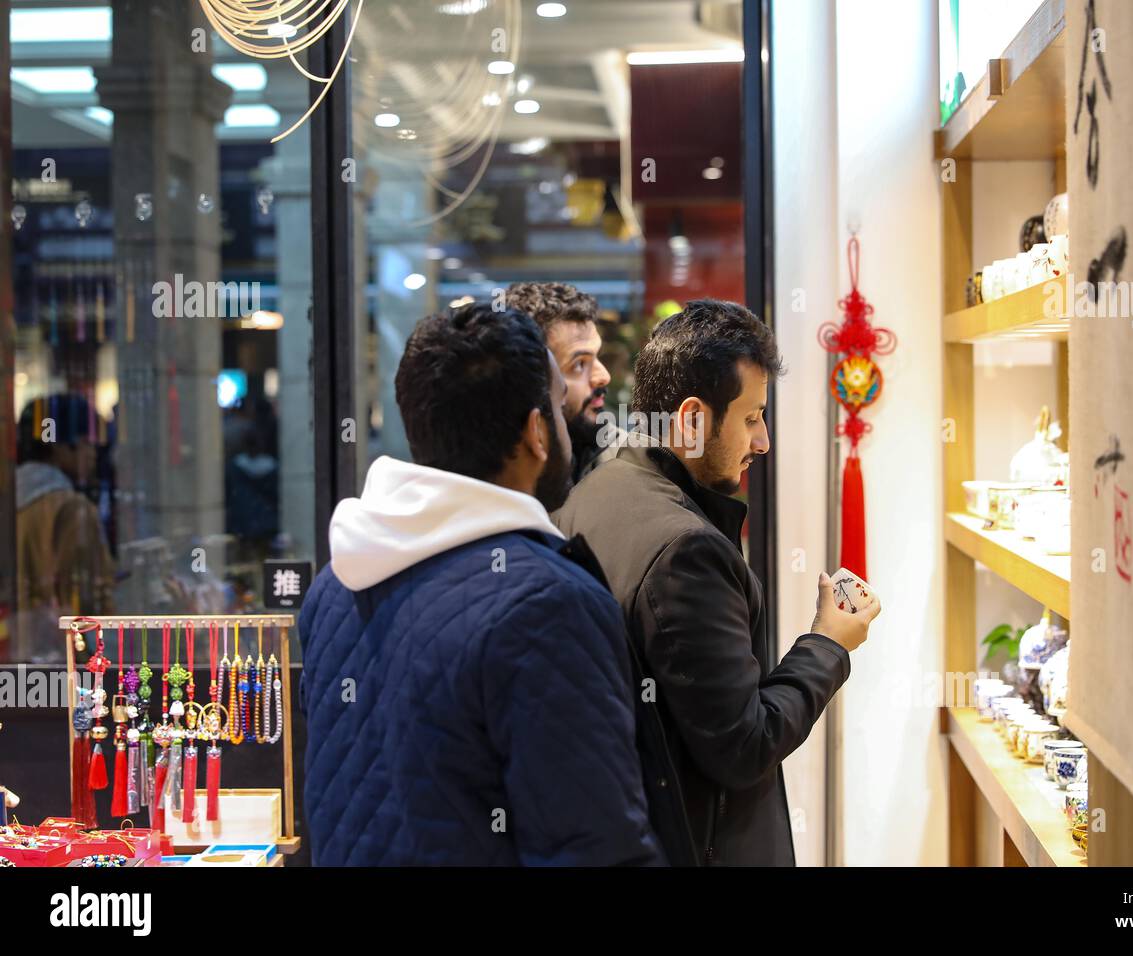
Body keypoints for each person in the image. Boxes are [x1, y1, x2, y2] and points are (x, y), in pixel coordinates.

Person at [298, 303, 663, 866]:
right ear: (537, 432)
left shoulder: (334, 587)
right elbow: (598, 847)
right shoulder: (549, 605)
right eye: (559, 415)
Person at [554, 299, 880, 866]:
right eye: (752, 417)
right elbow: (745, 744)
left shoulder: (593, 493)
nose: (763, 441)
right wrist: (829, 643)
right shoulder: (686, 551)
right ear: (692, 420)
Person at [14, 394, 115, 664]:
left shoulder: (12, 497)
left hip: (14, 661)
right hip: (60, 666)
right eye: (86, 443)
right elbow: (84, 602)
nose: (93, 453)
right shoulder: (73, 510)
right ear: (59, 448)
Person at [504, 281, 620, 482]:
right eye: (579, 365)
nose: (603, 376)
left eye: (597, 356)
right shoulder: (496, 476)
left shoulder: (632, 461)